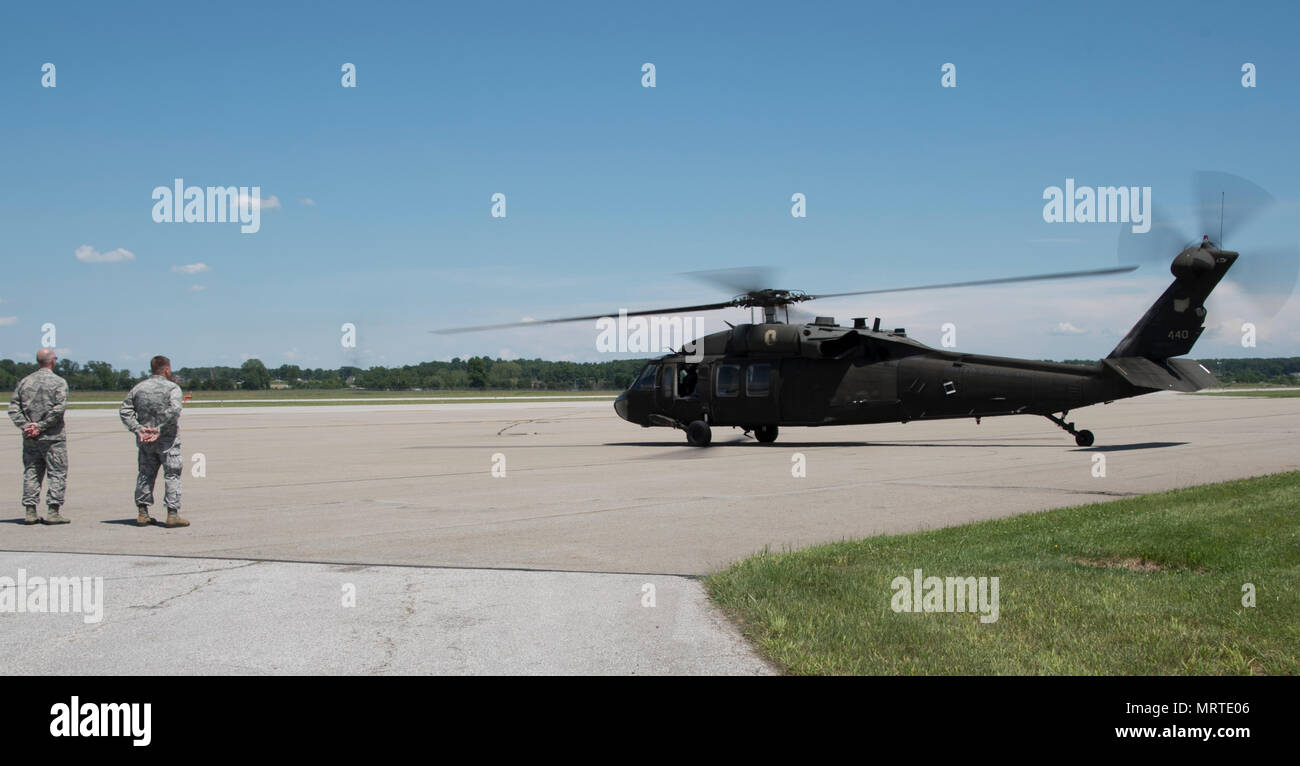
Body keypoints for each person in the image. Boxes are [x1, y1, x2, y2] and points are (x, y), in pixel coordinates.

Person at [120, 355, 188, 527]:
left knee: (145, 474)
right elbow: (175, 411)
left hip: (146, 441)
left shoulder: (139, 388)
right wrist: (159, 429)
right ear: (167, 369)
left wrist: (139, 429)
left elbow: (125, 410)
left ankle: (142, 513)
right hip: (167, 440)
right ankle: (172, 514)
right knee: (172, 475)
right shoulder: (172, 388)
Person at [8, 349, 70, 525]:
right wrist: (41, 426)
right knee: (57, 473)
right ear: (52, 361)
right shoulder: (59, 382)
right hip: (53, 437)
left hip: (31, 438)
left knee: (31, 472)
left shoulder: (25, 382)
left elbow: (13, 408)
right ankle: (53, 511)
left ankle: (30, 511)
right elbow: (59, 408)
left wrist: (27, 426)